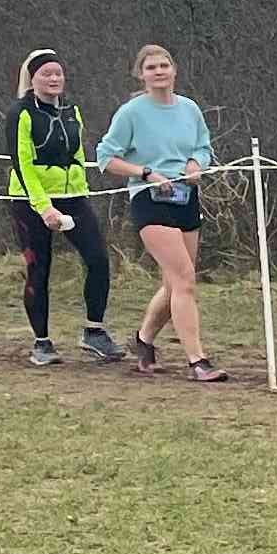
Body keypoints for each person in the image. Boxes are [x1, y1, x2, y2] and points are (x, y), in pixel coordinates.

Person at [96, 43, 224, 383]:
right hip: (150, 199)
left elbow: (203, 146)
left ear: (174, 69)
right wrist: (145, 172)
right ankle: (198, 360)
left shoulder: (190, 109)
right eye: (151, 67)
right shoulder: (131, 113)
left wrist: (197, 164)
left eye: (164, 65)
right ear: (141, 74)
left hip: (186, 198)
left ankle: (143, 340)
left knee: (173, 284)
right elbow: (106, 157)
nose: (159, 72)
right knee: (185, 279)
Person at [8, 47, 121, 367]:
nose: (54, 78)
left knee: (98, 258)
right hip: (30, 201)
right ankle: (42, 342)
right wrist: (44, 208)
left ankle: (94, 332)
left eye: (58, 73)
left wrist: (79, 193)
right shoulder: (21, 113)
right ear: (33, 79)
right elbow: (22, 164)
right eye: (47, 74)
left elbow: (76, 154)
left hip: (73, 197)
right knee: (39, 269)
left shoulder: (72, 110)